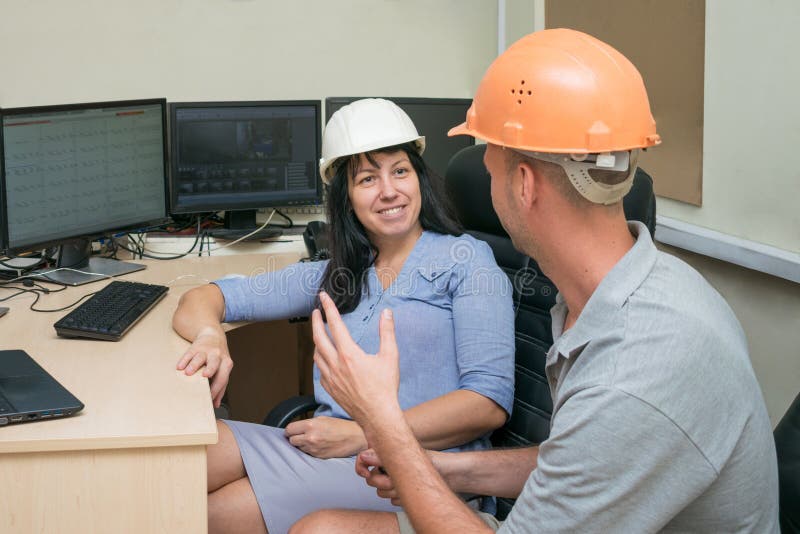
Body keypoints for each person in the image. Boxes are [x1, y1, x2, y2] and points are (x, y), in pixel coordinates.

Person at [293, 29, 780, 533]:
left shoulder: (637, 368)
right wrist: (444, 467)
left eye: (489, 159)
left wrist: (381, 421)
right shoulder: (626, 292)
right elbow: (578, 459)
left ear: (523, 184)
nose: (479, 171)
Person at [171, 97, 516, 534]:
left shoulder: (466, 261)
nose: (389, 190)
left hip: (412, 466)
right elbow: (205, 297)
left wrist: (364, 434)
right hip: (330, 448)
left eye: (400, 171)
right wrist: (209, 336)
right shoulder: (338, 272)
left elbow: (487, 405)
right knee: (182, 454)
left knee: (205, 515)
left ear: (419, 179)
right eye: (368, 178)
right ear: (345, 198)